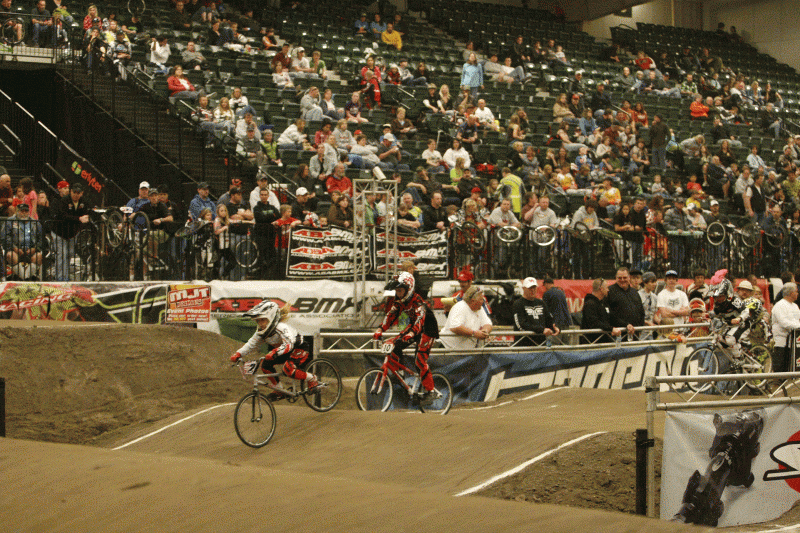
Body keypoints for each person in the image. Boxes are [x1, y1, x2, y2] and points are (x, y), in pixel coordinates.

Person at [373, 272, 441, 403]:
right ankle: (400, 375)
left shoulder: (418, 301)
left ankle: (430, 391)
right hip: (414, 328)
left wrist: (410, 334)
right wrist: (380, 329)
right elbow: (390, 315)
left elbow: (420, 321)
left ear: (408, 288)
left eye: (400, 290)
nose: (397, 293)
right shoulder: (399, 301)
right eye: (396, 291)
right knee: (394, 343)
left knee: (419, 360)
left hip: (428, 329)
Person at [230, 300, 319, 399]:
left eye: (263, 320)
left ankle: (312, 378)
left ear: (271, 318)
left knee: (288, 369)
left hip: (299, 348)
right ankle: (279, 389)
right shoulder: (260, 332)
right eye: (258, 321)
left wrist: (275, 352)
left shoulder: (281, 327)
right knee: (265, 364)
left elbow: (289, 344)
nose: (260, 323)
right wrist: (238, 354)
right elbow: (251, 344)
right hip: (284, 351)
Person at [440, 285, 492, 351]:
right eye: (481, 299)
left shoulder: (479, 309)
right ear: (473, 301)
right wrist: (474, 333)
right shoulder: (460, 307)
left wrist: (485, 331)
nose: (483, 302)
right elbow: (455, 327)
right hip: (447, 348)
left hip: (463, 350)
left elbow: (487, 323)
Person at [513, 277, 560, 346]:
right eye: (530, 288)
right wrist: (541, 330)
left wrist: (555, 327)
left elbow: (549, 319)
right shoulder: (518, 304)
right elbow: (520, 325)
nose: (532, 290)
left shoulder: (541, 303)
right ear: (523, 288)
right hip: (523, 346)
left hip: (540, 345)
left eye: (534, 288)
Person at [606, 267, 644, 339]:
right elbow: (609, 314)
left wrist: (640, 328)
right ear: (616, 278)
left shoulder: (634, 292)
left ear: (629, 278)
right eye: (620, 278)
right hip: (617, 335)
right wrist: (625, 325)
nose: (622, 280)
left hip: (634, 334)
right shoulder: (609, 291)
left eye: (625, 277)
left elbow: (641, 311)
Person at [581, 278, 622, 344]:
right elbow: (594, 323)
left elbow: (612, 318)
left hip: (604, 342)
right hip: (592, 344)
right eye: (607, 287)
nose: (608, 290)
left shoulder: (604, 303)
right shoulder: (589, 304)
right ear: (601, 288)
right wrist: (611, 329)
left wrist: (627, 324)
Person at [771, 283, 800, 373]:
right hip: (781, 340)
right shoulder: (780, 305)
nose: (797, 294)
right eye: (796, 292)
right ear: (791, 293)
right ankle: (776, 383)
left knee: (788, 365)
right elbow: (784, 323)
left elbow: (797, 320)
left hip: (793, 341)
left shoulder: (795, 306)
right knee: (780, 365)